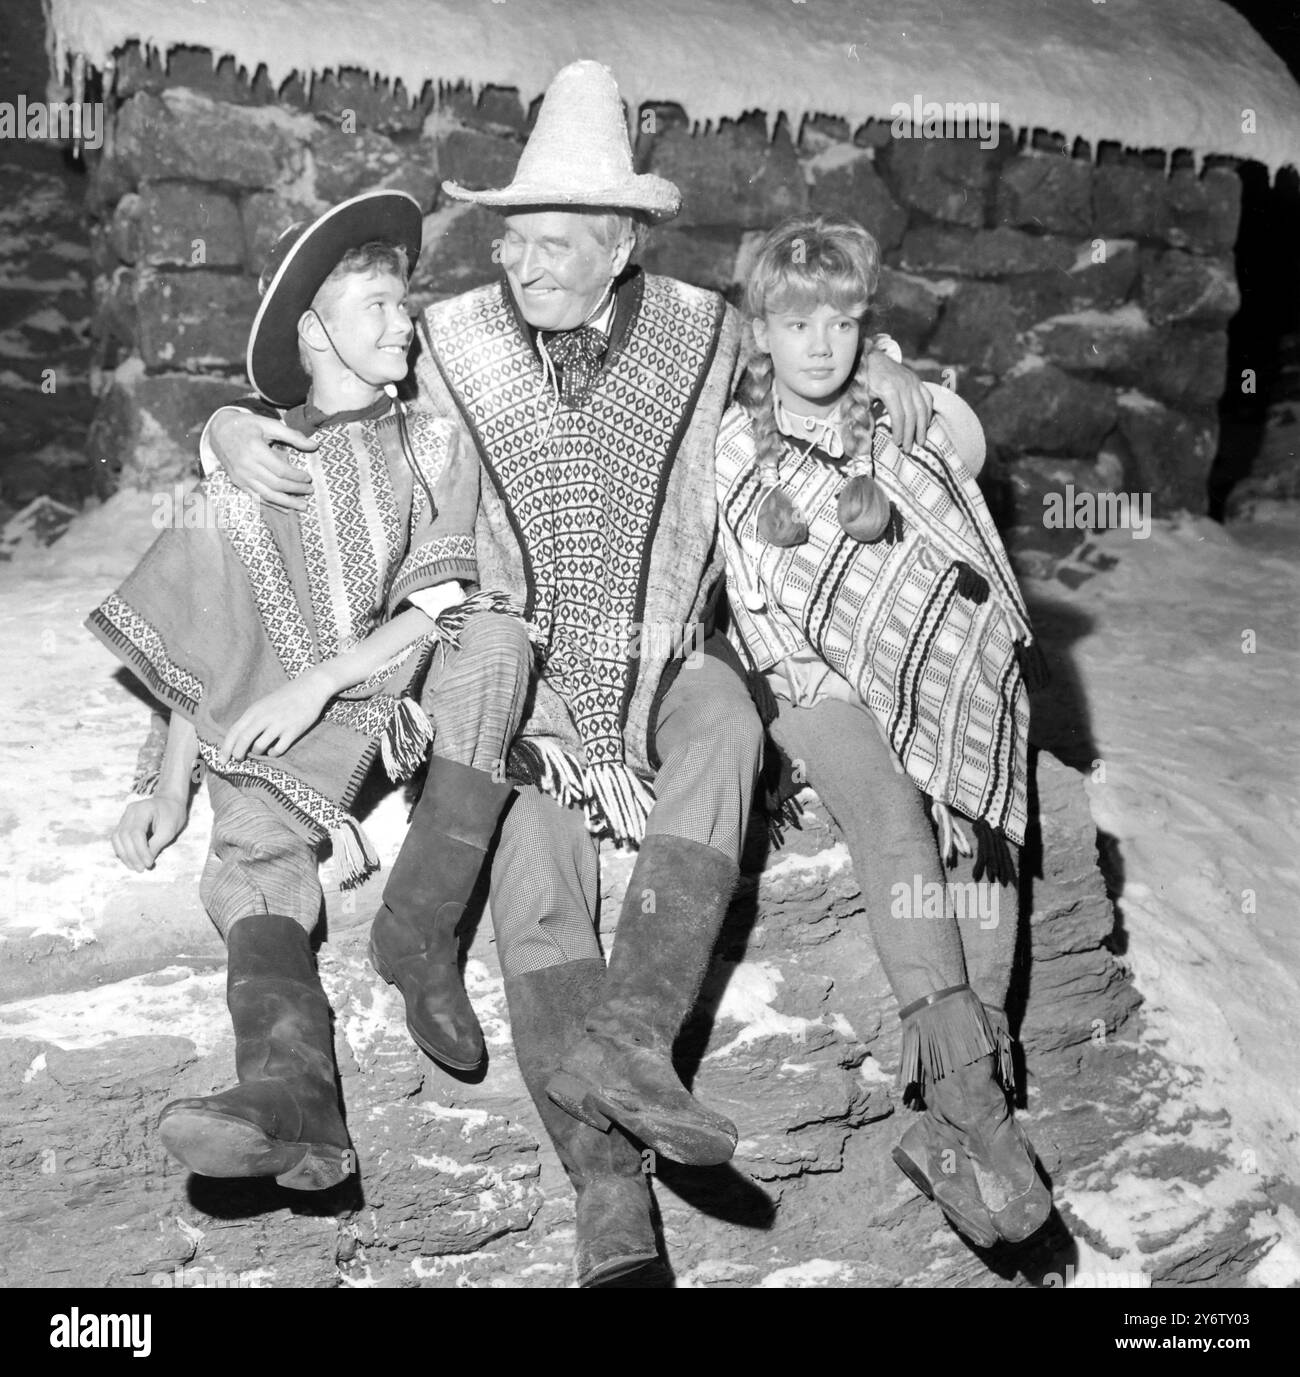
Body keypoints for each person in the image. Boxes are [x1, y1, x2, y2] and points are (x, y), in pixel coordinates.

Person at [199, 63, 932, 1285]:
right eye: (512, 240)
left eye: (553, 245)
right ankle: (612, 1206)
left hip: (661, 662)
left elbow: (820, 344)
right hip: (518, 685)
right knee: (533, 875)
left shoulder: (704, 330)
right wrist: (232, 421)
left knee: (730, 731)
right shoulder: (448, 340)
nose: (523, 266)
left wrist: (890, 368)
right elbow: (321, 370)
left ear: (621, 243)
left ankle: (633, 1037)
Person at [90, 190, 532, 1190]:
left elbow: (450, 595)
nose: (403, 324)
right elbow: (202, 635)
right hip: (277, 711)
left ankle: (367, 1001)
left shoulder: (434, 443)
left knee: (465, 653)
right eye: (378, 305)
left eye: (404, 306)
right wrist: (165, 785)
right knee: (245, 854)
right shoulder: (258, 456)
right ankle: (292, 1099)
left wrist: (320, 685)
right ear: (314, 330)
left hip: (390, 691)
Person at [716, 213, 1053, 1246]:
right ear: (759, 329)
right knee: (899, 831)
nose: (817, 343)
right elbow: (753, 593)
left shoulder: (888, 407)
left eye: (840, 321)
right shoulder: (732, 438)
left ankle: (963, 1123)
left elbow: (967, 453)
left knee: (982, 820)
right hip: (812, 687)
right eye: (795, 322)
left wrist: (914, 382)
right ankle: (974, 1118)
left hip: (926, 678)